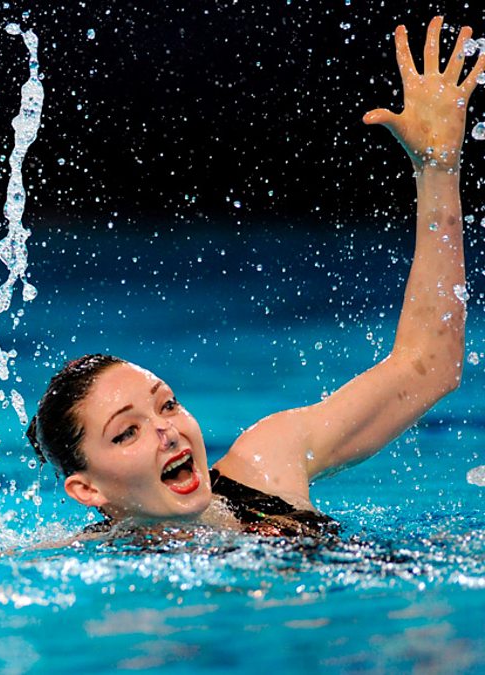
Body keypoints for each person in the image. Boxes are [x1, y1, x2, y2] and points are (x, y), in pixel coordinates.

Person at [27, 17, 484, 538]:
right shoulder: (94, 576)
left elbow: (428, 367)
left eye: (167, 405)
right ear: (88, 490)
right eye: (127, 433)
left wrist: (438, 169)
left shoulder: (269, 461)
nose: (167, 434)